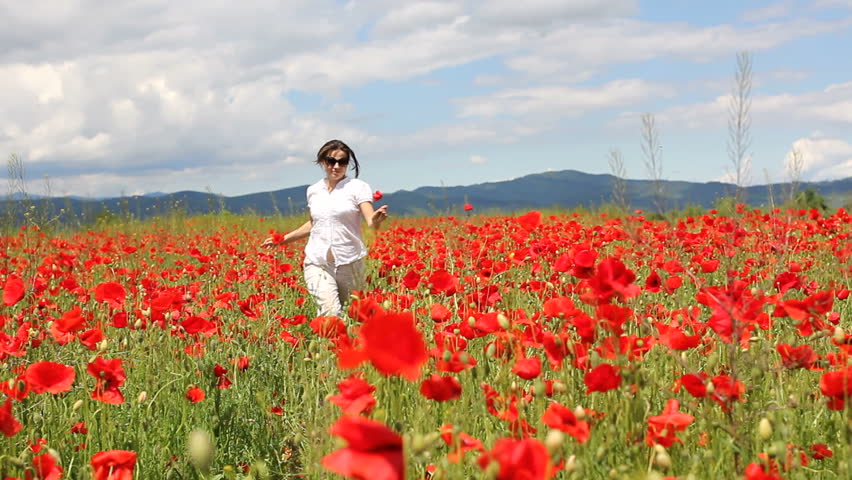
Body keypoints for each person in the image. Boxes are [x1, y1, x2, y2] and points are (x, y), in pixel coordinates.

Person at [262, 139, 388, 316]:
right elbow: (314, 223)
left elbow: (370, 219)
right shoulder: (314, 190)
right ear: (322, 162)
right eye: (331, 161)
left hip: (350, 262)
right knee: (330, 312)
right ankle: (330, 343)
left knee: (354, 315)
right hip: (318, 263)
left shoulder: (358, 187)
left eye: (342, 162)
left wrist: (377, 219)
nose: (336, 166)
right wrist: (283, 239)